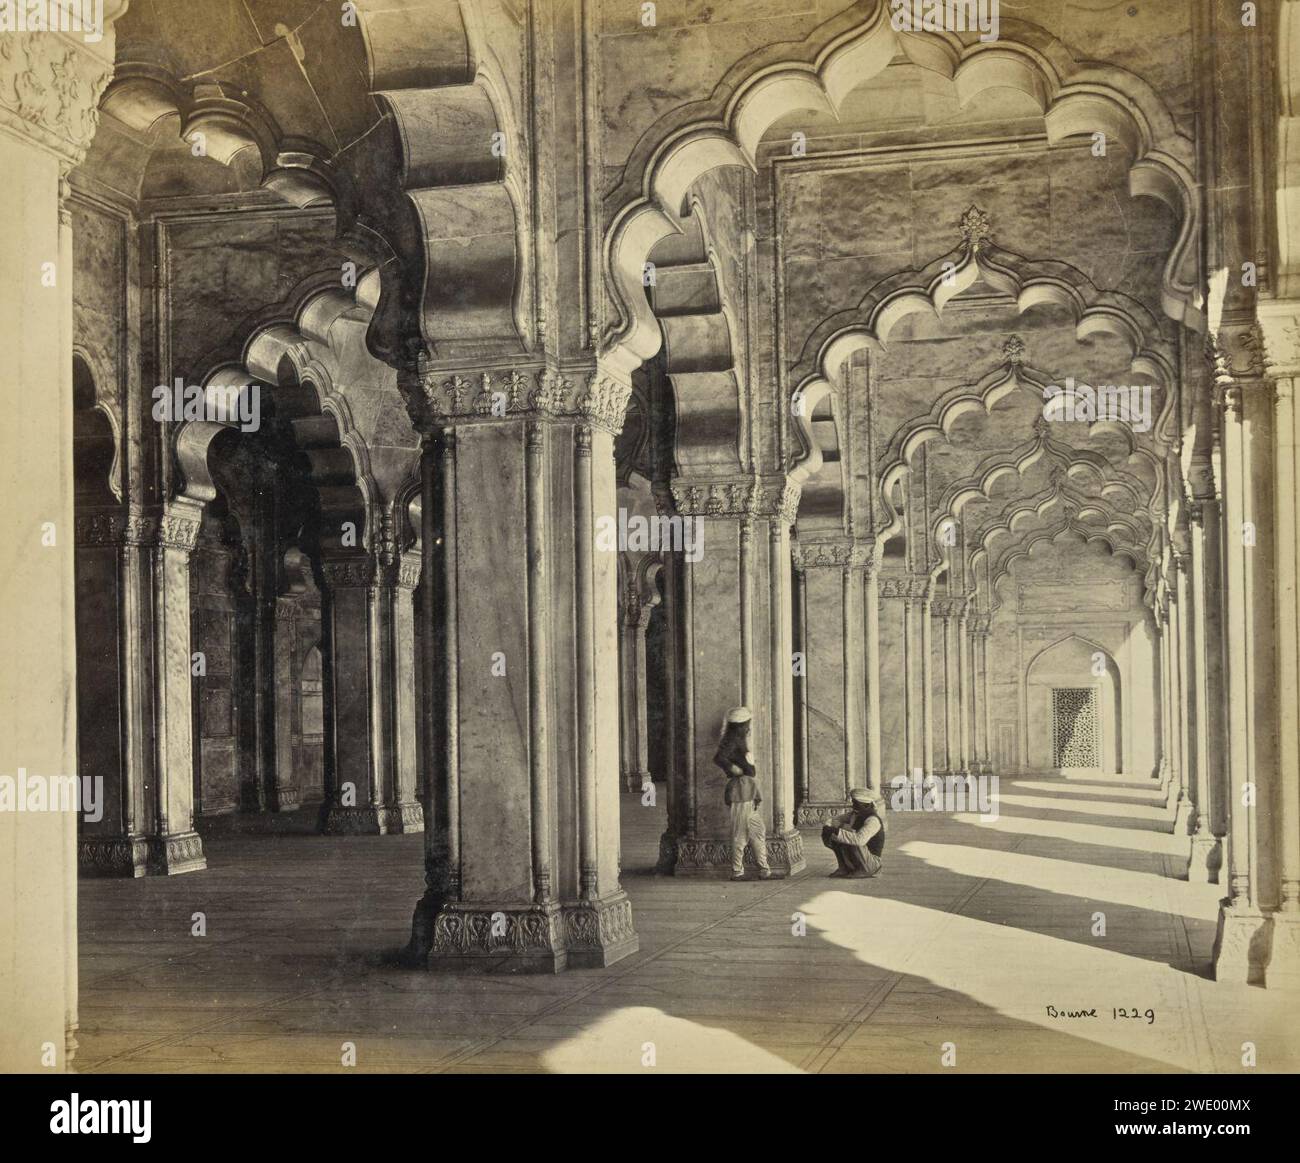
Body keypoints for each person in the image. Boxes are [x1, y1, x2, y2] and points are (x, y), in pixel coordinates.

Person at [714, 706, 771, 881]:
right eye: (747, 723)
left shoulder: (738, 738)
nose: (749, 726)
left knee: (757, 830)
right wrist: (734, 769)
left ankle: (764, 869)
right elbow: (719, 758)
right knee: (741, 833)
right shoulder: (733, 739)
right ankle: (737, 871)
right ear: (741, 724)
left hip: (747, 789)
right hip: (741, 790)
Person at [821, 787, 885, 878]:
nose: (853, 806)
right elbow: (832, 821)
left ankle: (864, 870)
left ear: (866, 805)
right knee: (836, 834)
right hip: (862, 856)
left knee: (850, 836)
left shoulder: (873, 820)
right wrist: (830, 828)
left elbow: (859, 840)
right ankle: (844, 868)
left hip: (872, 863)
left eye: (856, 803)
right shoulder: (855, 815)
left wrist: (838, 830)